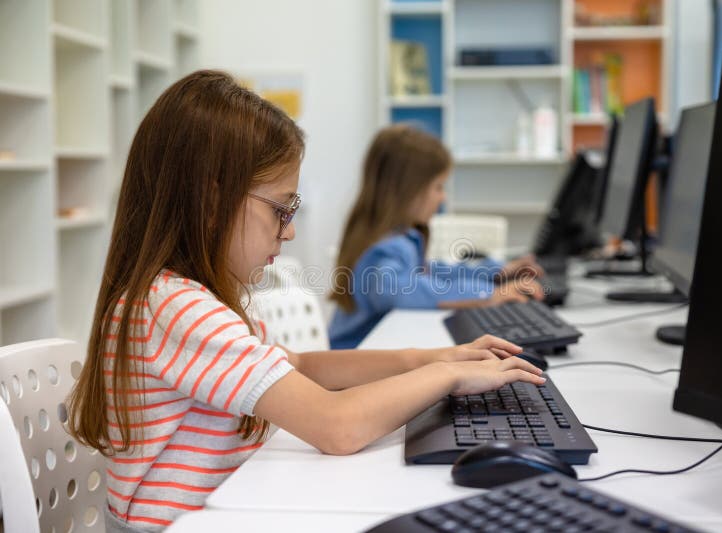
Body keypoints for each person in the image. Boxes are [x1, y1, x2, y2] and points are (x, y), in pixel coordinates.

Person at [67, 71, 545, 532]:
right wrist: (446, 375)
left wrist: (430, 357)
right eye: (281, 208)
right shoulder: (176, 309)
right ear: (211, 202)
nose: (290, 230)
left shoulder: (184, 298)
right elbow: (337, 427)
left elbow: (300, 366)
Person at [328, 124, 544, 349]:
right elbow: (400, 290)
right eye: (438, 187)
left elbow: (435, 274)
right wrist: (489, 293)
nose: (442, 197)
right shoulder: (385, 248)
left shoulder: (399, 236)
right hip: (353, 365)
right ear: (408, 190)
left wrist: (495, 271)